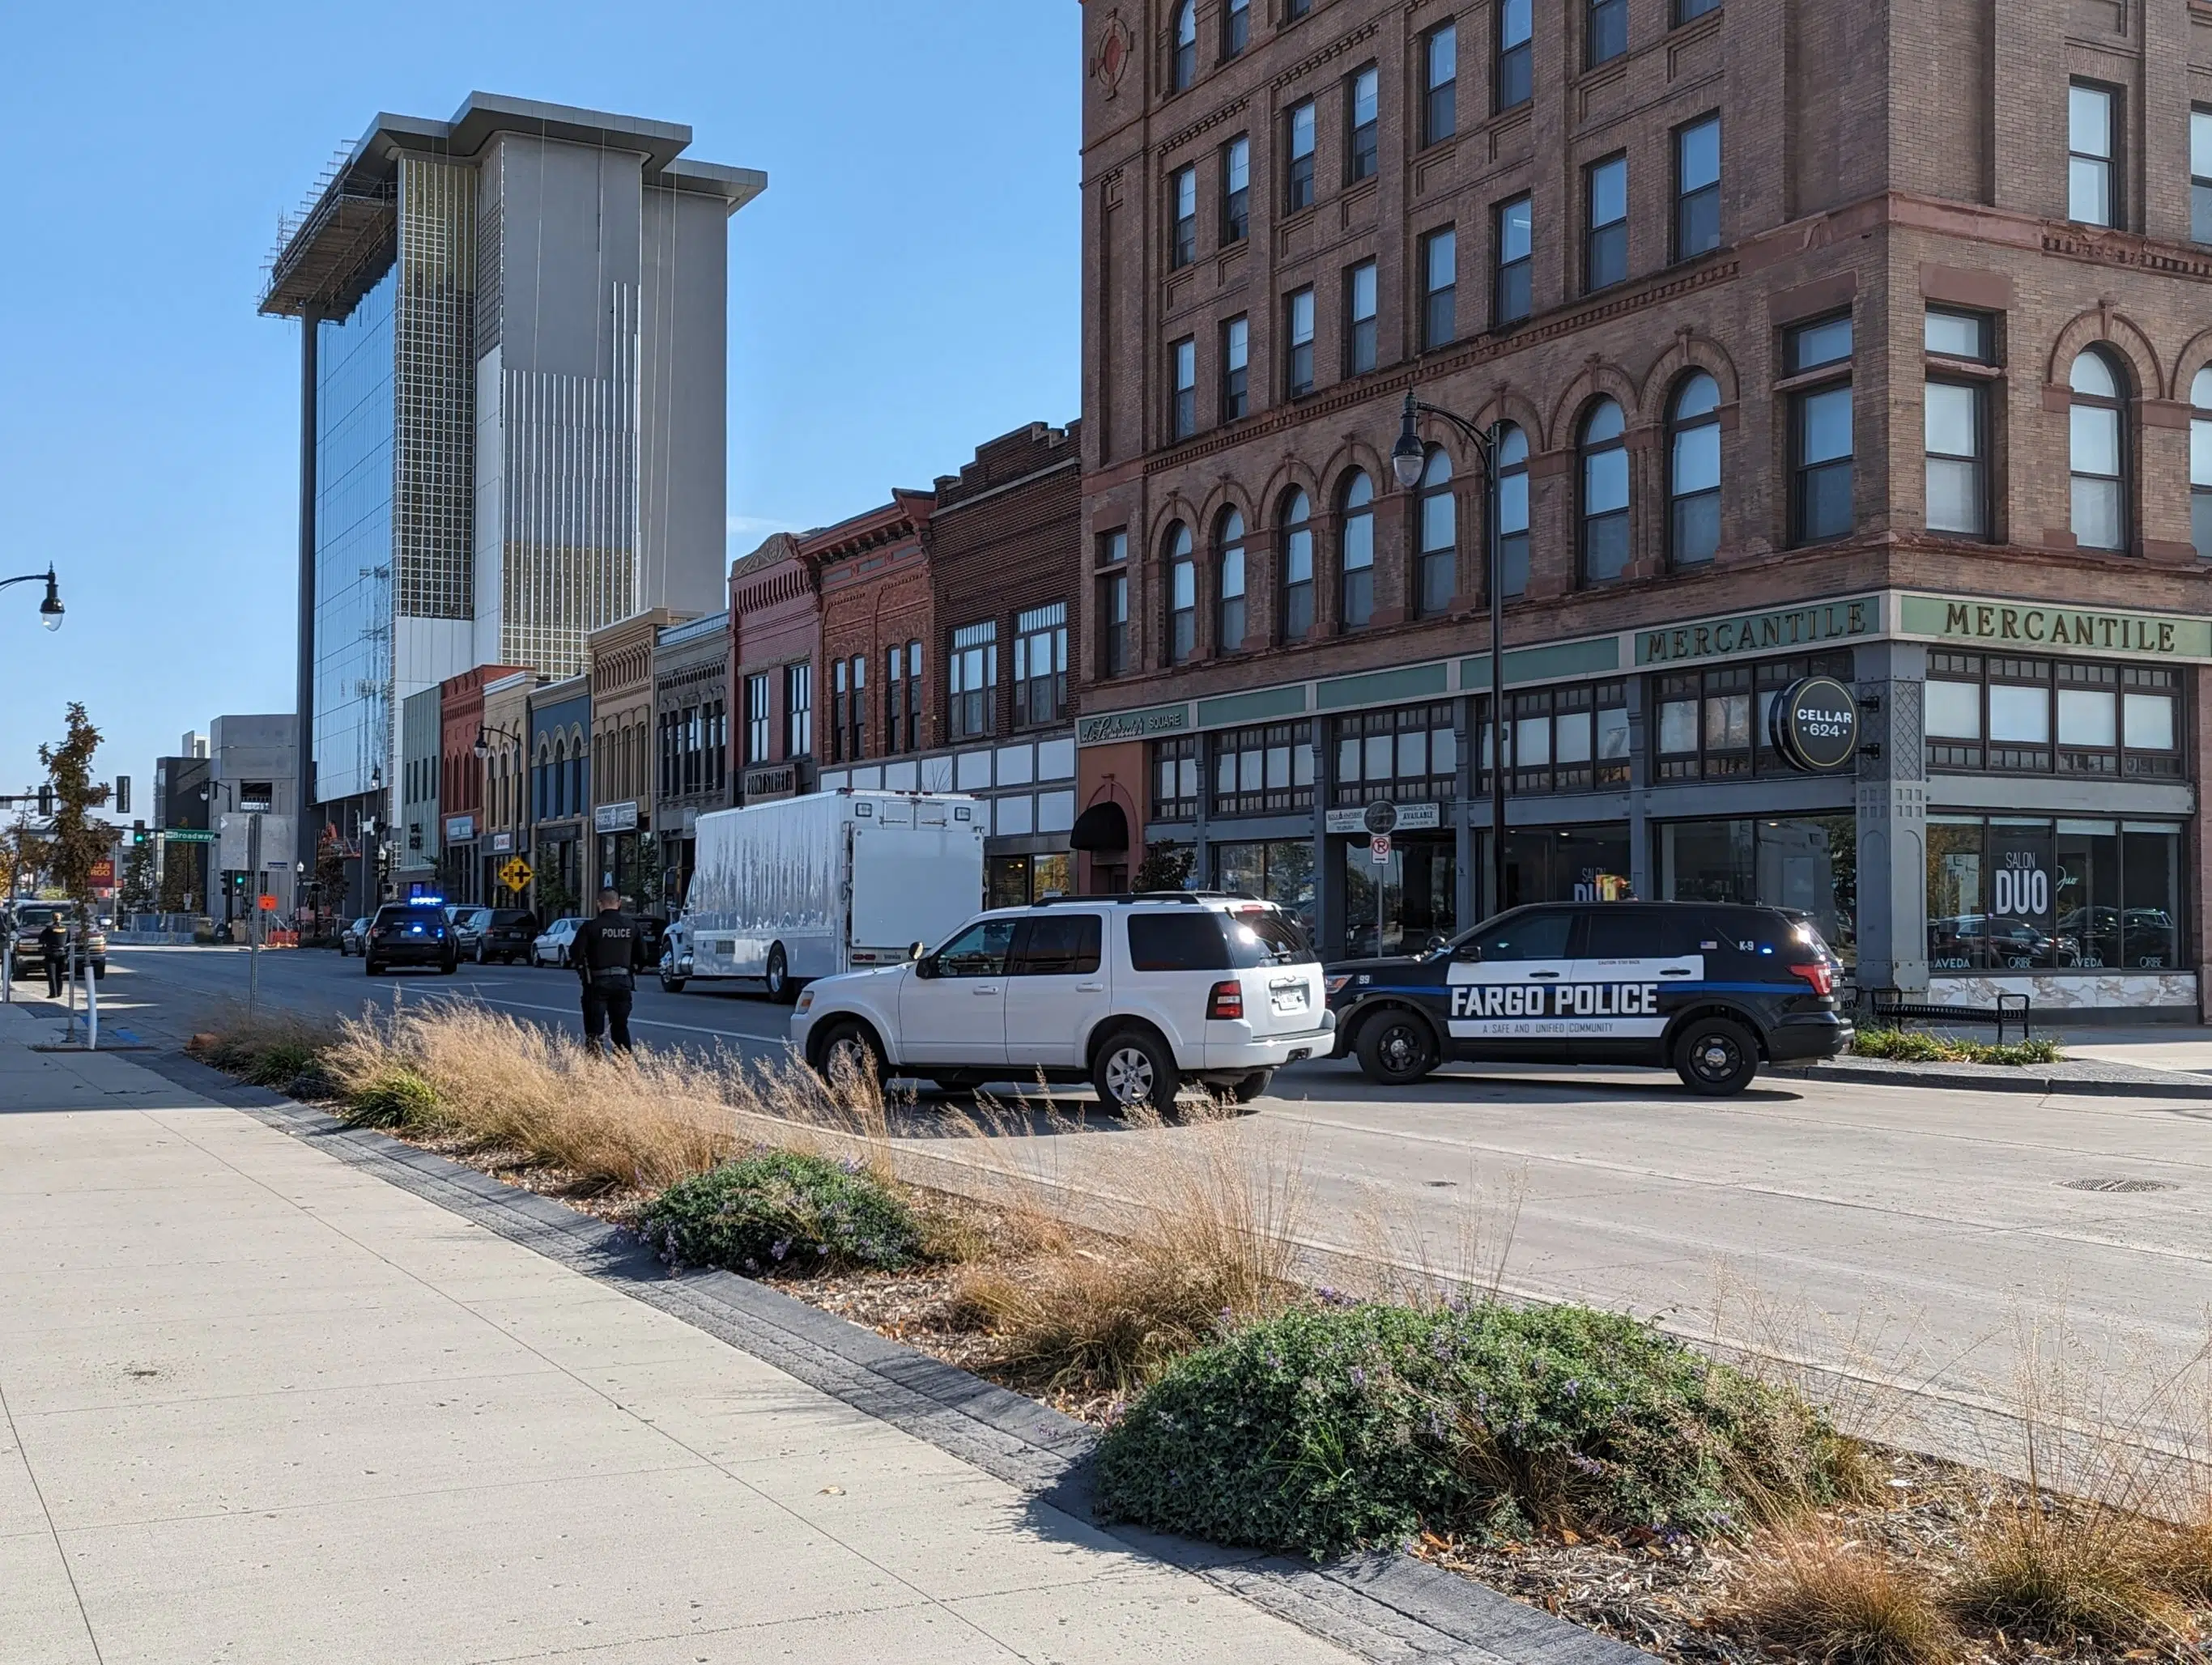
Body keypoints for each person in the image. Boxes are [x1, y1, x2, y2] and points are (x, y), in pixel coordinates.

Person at [571, 887, 646, 1056]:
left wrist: (583, 967)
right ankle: (624, 1067)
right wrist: (633, 969)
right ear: (618, 903)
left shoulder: (590, 927)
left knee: (594, 1030)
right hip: (623, 982)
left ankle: (594, 1068)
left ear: (599, 903)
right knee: (620, 1026)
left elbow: (575, 953)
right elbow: (643, 956)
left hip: (596, 983)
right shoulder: (632, 926)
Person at [37, 916, 67, 999]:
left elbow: (41, 939)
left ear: (53, 919)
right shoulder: (66, 929)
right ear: (60, 919)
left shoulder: (48, 929)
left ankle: (53, 993)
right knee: (60, 975)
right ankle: (59, 992)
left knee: (51, 975)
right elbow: (68, 940)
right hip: (62, 954)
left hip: (51, 953)